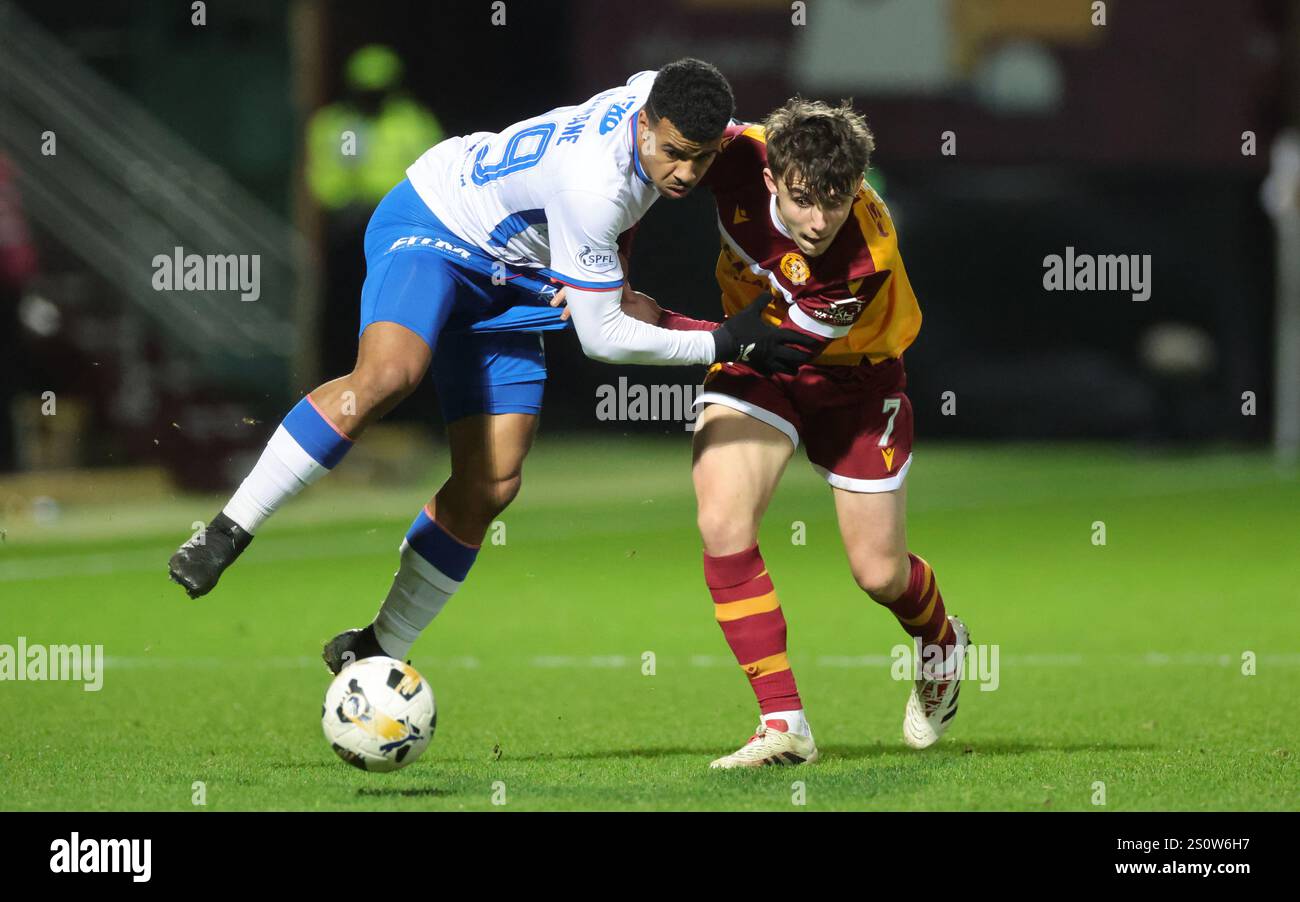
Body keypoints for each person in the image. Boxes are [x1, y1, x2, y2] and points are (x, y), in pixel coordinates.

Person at [167, 60, 817, 679]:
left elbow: (697, 123)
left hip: (514, 272)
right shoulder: (594, 187)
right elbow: (604, 338)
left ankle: (377, 648)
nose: (686, 172)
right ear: (643, 125)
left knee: (494, 480)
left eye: (702, 156)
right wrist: (723, 342)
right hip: (437, 222)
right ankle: (226, 532)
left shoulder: (660, 102)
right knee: (390, 375)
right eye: (674, 152)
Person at [624, 98, 971, 766]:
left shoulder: (863, 256)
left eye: (835, 202)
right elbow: (638, 160)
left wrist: (653, 319)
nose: (818, 222)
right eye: (804, 199)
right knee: (723, 521)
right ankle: (784, 723)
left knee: (878, 573)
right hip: (756, 370)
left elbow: (777, 346)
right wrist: (603, 275)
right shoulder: (731, 153)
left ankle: (942, 643)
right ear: (770, 177)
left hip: (852, 383)